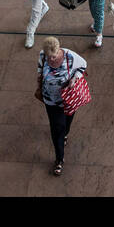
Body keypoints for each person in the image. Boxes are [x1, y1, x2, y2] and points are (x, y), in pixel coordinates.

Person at [37, 36, 87, 176]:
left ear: (59, 50)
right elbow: (40, 70)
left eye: (53, 56)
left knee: (67, 121)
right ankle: (59, 160)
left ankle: (65, 134)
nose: (51, 59)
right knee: (57, 129)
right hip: (51, 100)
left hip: (69, 98)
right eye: (49, 57)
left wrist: (74, 79)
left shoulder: (70, 56)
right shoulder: (42, 55)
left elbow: (83, 65)